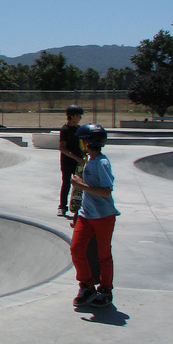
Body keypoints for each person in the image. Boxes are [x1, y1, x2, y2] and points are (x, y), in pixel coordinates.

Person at [69, 123, 119, 308]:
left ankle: (105, 290)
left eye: (82, 141)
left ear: (88, 143)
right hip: (85, 215)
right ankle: (87, 286)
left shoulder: (102, 162)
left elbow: (106, 191)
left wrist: (80, 185)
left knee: (103, 254)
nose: (80, 144)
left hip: (104, 216)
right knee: (76, 249)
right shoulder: (88, 162)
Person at [57, 105, 85, 217]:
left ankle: (77, 207)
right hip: (67, 161)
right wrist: (76, 157)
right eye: (78, 116)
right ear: (72, 116)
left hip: (79, 161)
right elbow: (62, 148)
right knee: (66, 183)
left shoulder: (80, 129)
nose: (80, 118)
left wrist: (84, 155)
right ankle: (62, 207)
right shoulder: (65, 130)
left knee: (79, 185)